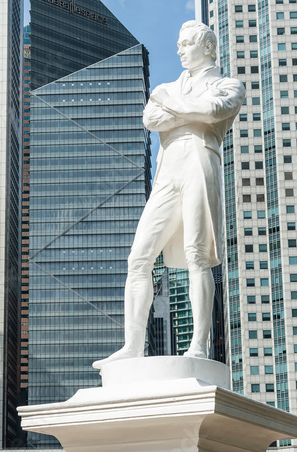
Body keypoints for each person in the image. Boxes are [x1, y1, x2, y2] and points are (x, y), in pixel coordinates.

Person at [94, 20, 245, 367]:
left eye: (187, 43)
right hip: (168, 172)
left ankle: (199, 344)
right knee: (139, 258)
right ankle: (132, 345)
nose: (179, 49)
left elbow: (213, 111)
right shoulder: (171, 86)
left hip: (198, 160)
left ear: (207, 47)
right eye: (177, 44)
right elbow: (151, 120)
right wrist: (183, 108)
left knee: (197, 256)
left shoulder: (227, 84)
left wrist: (168, 101)